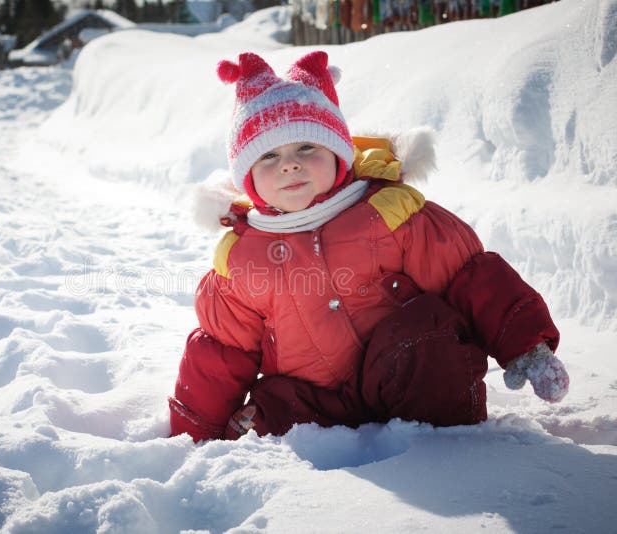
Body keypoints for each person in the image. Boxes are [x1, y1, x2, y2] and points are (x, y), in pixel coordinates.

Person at [168, 51, 569, 443]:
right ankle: (257, 438)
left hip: (408, 375)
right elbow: (223, 348)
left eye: (307, 148)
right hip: (316, 403)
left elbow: (469, 274)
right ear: (248, 178)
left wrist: (524, 342)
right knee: (274, 404)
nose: (290, 165)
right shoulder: (242, 257)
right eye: (269, 156)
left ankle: (450, 453)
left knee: (431, 331)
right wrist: (193, 432)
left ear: (338, 154)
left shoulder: (387, 212)